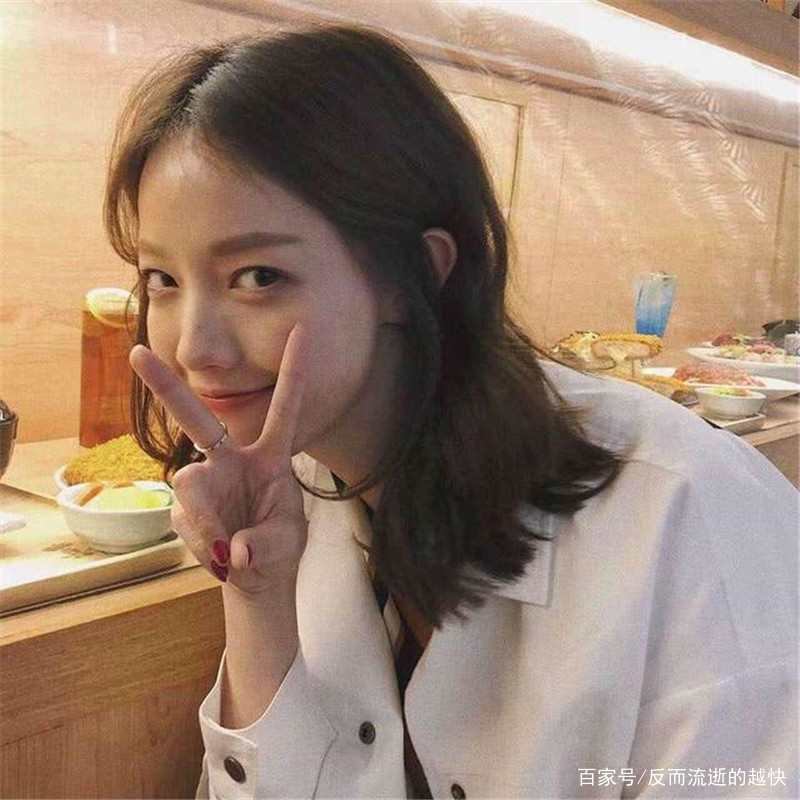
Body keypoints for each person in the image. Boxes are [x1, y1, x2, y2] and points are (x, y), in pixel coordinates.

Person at [103, 22, 798, 799]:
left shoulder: (686, 512)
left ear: (414, 274)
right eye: (162, 279)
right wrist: (256, 599)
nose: (194, 347)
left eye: (257, 276)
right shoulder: (295, 485)